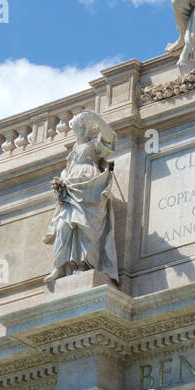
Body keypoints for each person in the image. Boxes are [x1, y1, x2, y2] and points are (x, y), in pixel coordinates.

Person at [44, 110, 118, 282]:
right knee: (63, 227)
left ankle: (82, 265)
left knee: (85, 226)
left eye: (83, 126)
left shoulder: (93, 145)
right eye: (78, 126)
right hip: (70, 189)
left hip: (89, 187)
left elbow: (110, 139)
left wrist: (97, 119)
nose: (80, 129)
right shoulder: (71, 153)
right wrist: (61, 184)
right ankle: (60, 266)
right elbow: (67, 171)